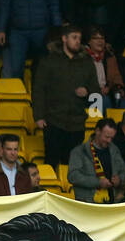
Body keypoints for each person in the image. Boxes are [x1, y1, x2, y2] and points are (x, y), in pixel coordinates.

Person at [32, 25, 97, 170]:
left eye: (79, 38)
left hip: (77, 122)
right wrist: (38, 116)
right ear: (64, 39)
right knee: (51, 163)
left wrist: (87, 91)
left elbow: (96, 91)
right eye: (74, 37)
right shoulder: (49, 60)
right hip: (53, 120)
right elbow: (38, 90)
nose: (77, 41)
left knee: (72, 167)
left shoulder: (87, 62)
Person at [67, 118, 125, 203]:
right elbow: (73, 176)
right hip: (86, 202)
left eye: (112, 138)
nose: (109, 140)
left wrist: (119, 179)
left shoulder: (114, 150)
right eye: (106, 137)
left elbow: (123, 170)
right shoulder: (79, 151)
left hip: (111, 200)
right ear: (98, 131)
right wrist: (97, 182)